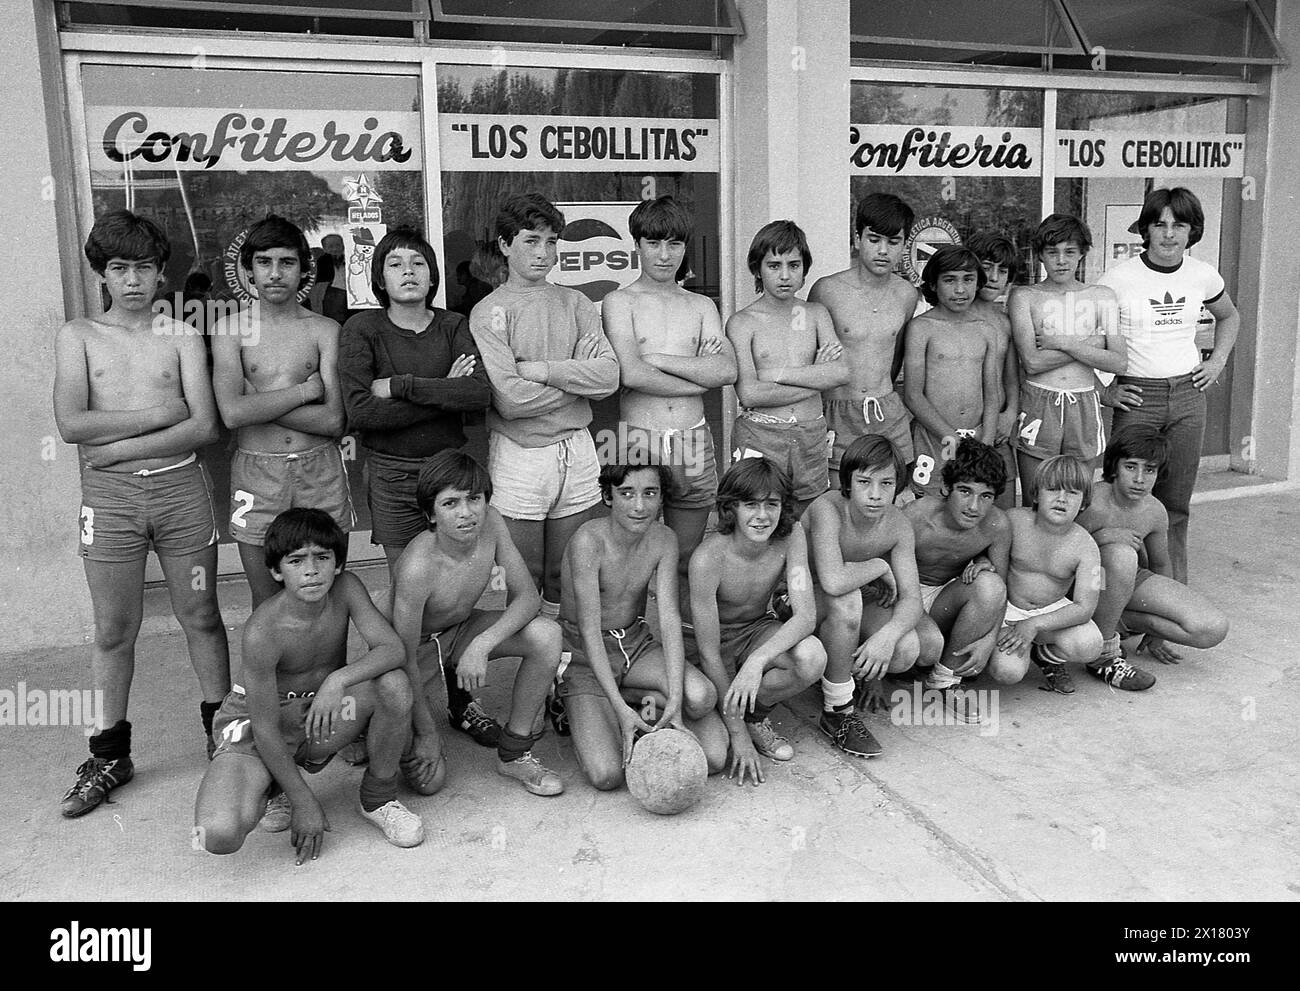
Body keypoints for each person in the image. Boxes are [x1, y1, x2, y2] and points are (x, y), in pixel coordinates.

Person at [53, 210, 230, 818]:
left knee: (202, 613)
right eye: (119, 268)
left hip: (181, 490)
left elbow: (204, 425)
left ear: (162, 274)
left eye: (145, 268)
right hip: (112, 502)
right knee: (112, 629)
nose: (133, 280)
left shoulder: (180, 333)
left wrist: (116, 445)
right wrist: (161, 415)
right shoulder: (78, 335)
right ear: (101, 272)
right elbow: (72, 423)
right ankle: (108, 754)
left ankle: (222, 733)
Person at [337, 228, 495, 745]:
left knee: (456, 590)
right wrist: (439, 390)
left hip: (450, 473)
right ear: (379, 278)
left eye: (418, 263)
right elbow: (362, 411)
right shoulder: (362, 330)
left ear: (433, 274)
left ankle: (459, 702)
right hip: (393, 475)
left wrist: (402, 386)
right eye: (395, 264)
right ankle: (398, 708)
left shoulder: (454, 325)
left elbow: (475, 395)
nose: (408, 272)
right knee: (412, 596)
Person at [194, 509, 424, 863]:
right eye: (296, 560)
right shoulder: (262, 630)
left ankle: (379, 797)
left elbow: (392, 649)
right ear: (275, 571)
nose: (311, 570)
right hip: (257, 725)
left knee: (393, 684)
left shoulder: (347, 589)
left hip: (321, 710)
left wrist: (338, 679)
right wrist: (306, 803)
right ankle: (273, 787)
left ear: (338, 564)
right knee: (218, 834)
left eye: (322, 557)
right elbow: (266, 728)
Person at [469, 193, 620, 618]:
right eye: (532, 241)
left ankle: (562, 665)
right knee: (525, 573)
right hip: (521, 454)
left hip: (576, 447)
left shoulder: (575, 303)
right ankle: (536, 667)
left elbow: (609, 377)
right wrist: (577, 379)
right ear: (504, 245)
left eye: (552, 242)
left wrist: (540, 369)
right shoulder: (490, 311)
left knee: (567, 572)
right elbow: (511, 400)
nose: (543, 252)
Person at [389, 450, 566, 796]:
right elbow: (402, 655)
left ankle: (515, 753)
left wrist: (482, 644)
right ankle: (387, 725)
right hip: (416, 651)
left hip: (461, 632)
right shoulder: (417, 565)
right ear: (430, 514)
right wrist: (426, 733)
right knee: (429, 783)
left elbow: (528, 597)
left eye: (474, 498)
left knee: (547, 633)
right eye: (450, 503)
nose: (467, 512)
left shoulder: (493, 522)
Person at [1097, 187, 1241, 584]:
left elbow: (1229, 317)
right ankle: (1123, 596)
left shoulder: (1202, 274)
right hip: (1138, 396)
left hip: (1187, 395)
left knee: (1175, 504)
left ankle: (1173, 596)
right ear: (1145, 229)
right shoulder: (1117, 279)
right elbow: (1087, 337)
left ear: (1193, 231)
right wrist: (1104, 389)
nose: (1168, 234)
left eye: (1179, 224)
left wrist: (1216, 361)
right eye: (1159, 224)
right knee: (1125, 498)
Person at [558, 463, 729, 790]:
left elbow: (668, 618)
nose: (640, 506)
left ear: (662, 497)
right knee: (607, 775)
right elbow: (590, 630)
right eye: (627, 494)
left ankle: (634, 698)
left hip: (634, 644)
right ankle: (603, 703)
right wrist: (621, 711)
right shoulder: (588, 541)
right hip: (584, 654)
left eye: (650, 493)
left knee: (705, 712)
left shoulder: (665, 539)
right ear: (608, 497)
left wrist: (677, 700)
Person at [210, 215, 352, 608]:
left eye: (287, 262)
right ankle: (272, 672)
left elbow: (334, 421)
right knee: (266, 594)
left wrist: (259, 401)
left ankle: (330, 673)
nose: (275, 273)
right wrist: (306, 391)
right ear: (248, 270)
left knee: (329, 592)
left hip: (319, 467)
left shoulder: (324, 330)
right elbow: (232, 416)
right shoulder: (229, 330)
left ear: (304, 268)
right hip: (257, 471)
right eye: (264, 262)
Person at [602, 195, 736, 572]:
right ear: (637, 245)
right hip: (637, 437)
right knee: (631, 552)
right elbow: (630, 373)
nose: (664, 254)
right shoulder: (619, 301)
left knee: (685, 555)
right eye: (654, 243)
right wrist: (697, 375)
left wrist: (659, 361)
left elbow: (726, 371)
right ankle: (634, 628)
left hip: (691, 437)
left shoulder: (701, 306)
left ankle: (678, 629)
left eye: (674, 244)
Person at [685, 458, 826, 785]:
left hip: (756, 632)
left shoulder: (791, 536)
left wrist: (757, 661)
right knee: (716, 757)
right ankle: (734, 723)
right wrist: (737, 737)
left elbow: (805, 615)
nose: (763, 516)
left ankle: (754, 716)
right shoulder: (708, 558)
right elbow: (709, 653)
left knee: (811, 656)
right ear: (731, 508)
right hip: (709, 645)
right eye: (751, 504)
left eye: (772, 504)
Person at [804, 435, 929, 757]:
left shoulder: (898, 524)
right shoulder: (828, 508)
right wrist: (876, 565)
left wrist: (887, 637)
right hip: (796, 602)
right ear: (847, 482)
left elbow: (912, 598)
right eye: (864, 482)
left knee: (905, 649)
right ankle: (838, 711)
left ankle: (839, 672)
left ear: (898, 485)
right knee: (847, 596)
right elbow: (832, 581)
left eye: (886, 483)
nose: (875, 495)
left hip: (849, 602)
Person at [1076, 426, 1228, 688]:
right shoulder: (1093, 500)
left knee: (1212, 628)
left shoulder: (1154, 511)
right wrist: (1101, 538)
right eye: (1131, 467)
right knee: (1122, 554)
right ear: (1113, 466)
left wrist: (1156, 632)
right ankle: (1102, 656)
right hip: (1085, 582)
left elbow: (1160, 564)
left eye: (1149, 470)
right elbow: (1057, 553)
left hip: (1125, 581)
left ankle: (1116, 622)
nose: (1139, 479)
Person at [728, 220, 847, 513]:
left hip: (811, 432)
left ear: (804, 269)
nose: (785, 275)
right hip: (760, 434)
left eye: (794, 265)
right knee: (758, 514)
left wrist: (777, 376)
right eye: (774, 265)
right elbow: (751, 394)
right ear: (757, 268)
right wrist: (814, 378)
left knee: (810, 518)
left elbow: (840, 373)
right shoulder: (743, 322)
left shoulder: (816, 313)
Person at [1008, 214, 1125, 505]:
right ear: (1040, 256)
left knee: (1078, 498)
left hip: (1084, 400)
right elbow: (1032, 362)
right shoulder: (1025, 296)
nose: (1061, 260)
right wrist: (1093, 345)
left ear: (1082, 253)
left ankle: (1074, 551)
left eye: (1069, 252)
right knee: (1035, 497)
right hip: (1039, 399)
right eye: (1052, 252)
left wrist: (1063, 342)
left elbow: (1119, 362)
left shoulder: (1102, 296)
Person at [809, 192, 919, 476]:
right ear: (857, 239)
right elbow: (811, 357)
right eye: (874, 239)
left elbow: (895, 357)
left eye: (893, 242)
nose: (883, 250)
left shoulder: (906, 294)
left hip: (887, 410)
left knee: (888, 495)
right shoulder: (827, 290)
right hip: (838, 409)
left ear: (904, 245)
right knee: (838, 495)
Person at [904, 437, 1010, 723]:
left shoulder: (996, 525)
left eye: (985, 496)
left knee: (989, 584)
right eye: (965, 491)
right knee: (925, 647)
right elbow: (884, 578)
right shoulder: (918, 516)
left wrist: (989, 639)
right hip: (904, 594)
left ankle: (945, 680)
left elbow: (1002, 590)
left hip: (943, 599)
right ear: (946, 488)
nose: (974, 506)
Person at [988, 455, 1104, 694]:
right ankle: (1017, 648)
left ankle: (1046, 656)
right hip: (1008, 610)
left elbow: (1085, 607)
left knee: (1091, 645)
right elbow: (982, 546)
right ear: (1036, 494)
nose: (1061, 499)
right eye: (1052, 489)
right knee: (1007, 672)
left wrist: (1033, 625)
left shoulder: (1088, 547)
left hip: (1049, 613)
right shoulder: (1014, 520)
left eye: (1072, 493)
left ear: (1083, 503)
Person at [902, 245, 1002, 499]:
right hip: (935, 436)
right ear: (933, 284)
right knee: (931, 503)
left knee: (970, 503)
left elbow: (992, 394)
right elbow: (913, 395)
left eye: (968, 280)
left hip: (977, 438)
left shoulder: (986, 330)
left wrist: (986, 442)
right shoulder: (922, 328)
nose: (960, 290)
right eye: (950, 280)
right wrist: (951, 438)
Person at [965, 232, 1021, 508]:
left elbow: (1011, 379)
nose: (994, 277)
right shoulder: (948, 317)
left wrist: (1009, 415)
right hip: (960, 429)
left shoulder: (1005, 322)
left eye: (1003, 271)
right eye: (987, 268)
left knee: (1004, 509)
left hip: (996, 430)